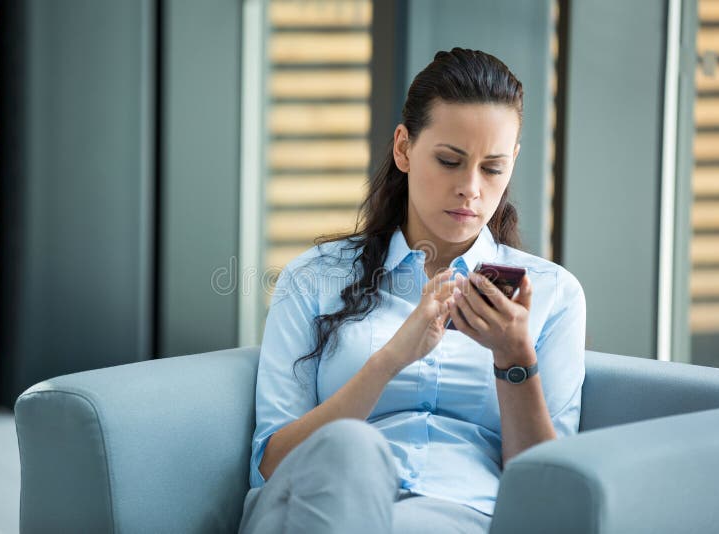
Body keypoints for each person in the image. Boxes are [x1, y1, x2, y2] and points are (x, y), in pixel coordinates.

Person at [238, 47, 586, 534]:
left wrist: (514, 358)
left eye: (492, 168)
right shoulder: (314, 278)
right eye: (449, 161)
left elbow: (549, 492)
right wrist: (391, 358)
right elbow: (273, 463)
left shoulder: (553, 294)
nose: (470, 188)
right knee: (351, 447)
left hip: (462, 517)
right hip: (323, 507)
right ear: (403, 148)